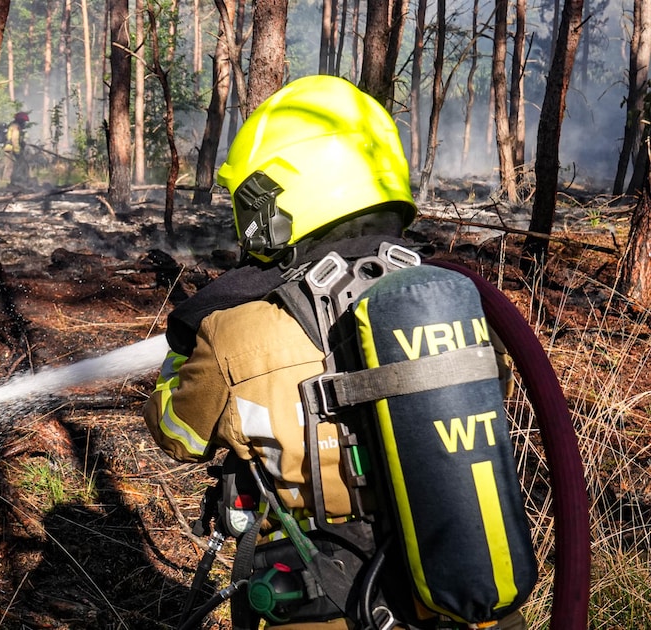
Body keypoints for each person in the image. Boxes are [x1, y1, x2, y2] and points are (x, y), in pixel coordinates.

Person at [142, 75, 529, 630]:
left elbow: (177, 434)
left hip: (325, 607)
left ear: (273, 196)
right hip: (468, 598)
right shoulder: (449, 303)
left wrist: (177, 361)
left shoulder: (235, 330)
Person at [1, 111, 29, 186]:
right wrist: (17, 152)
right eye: (24, 121)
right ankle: (5, 183)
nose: (24, 123)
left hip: (9, 149)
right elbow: (14, 139)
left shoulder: (13, 125)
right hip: (11, 149)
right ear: (20, 120)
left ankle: (13, 181)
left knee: (11, 166)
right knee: (10, 166)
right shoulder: (16, 127)